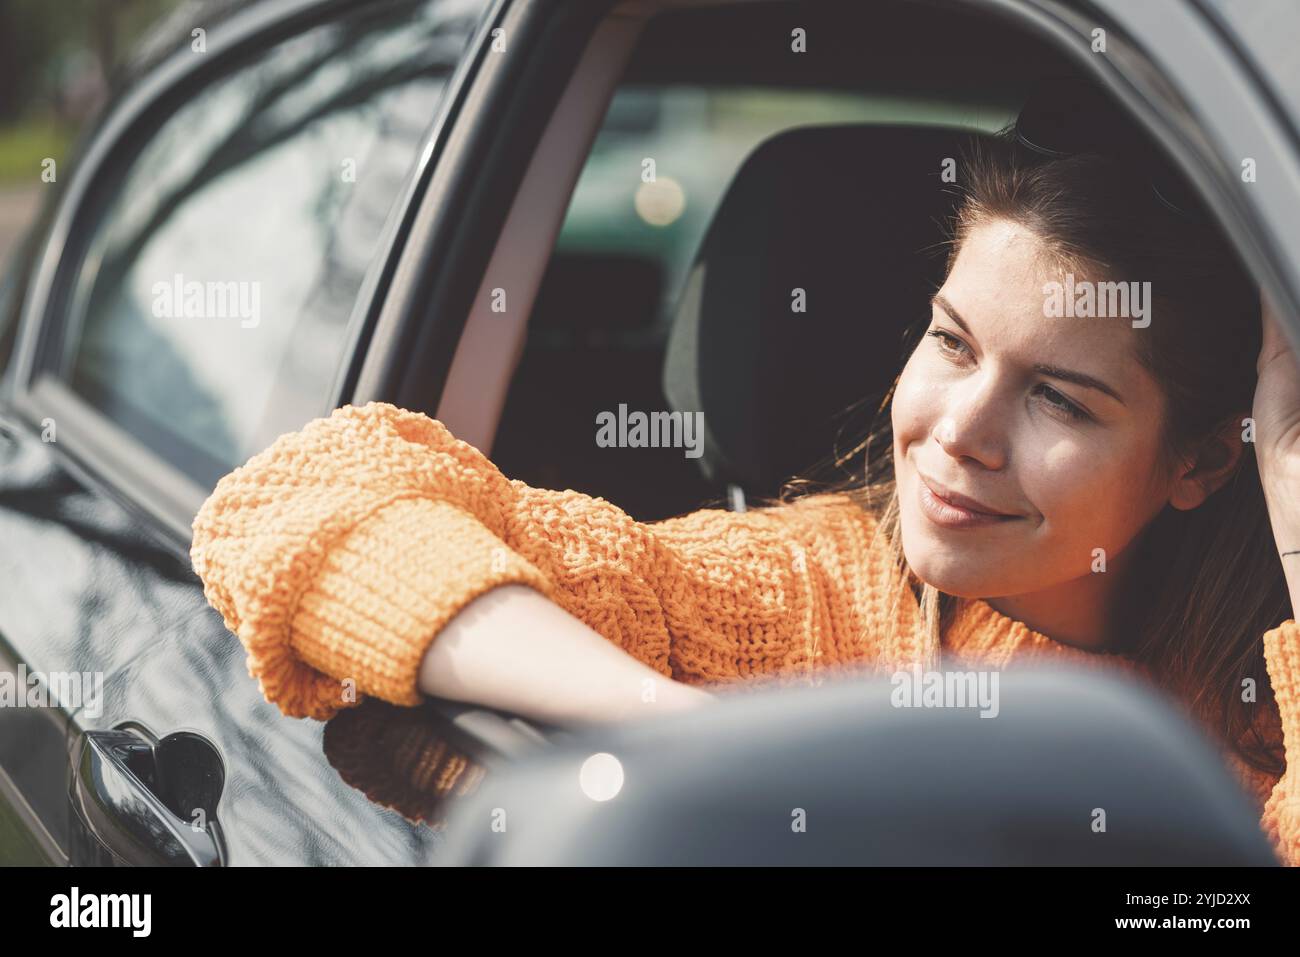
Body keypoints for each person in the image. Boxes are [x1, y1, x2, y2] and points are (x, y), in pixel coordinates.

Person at [189, 127, 1300, 864]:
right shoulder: (801, 594)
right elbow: (301, 506)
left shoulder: (1264, 710)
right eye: (952, 343)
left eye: (1058, 400)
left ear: (1201, 462)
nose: (959, 432)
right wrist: (692, 728)